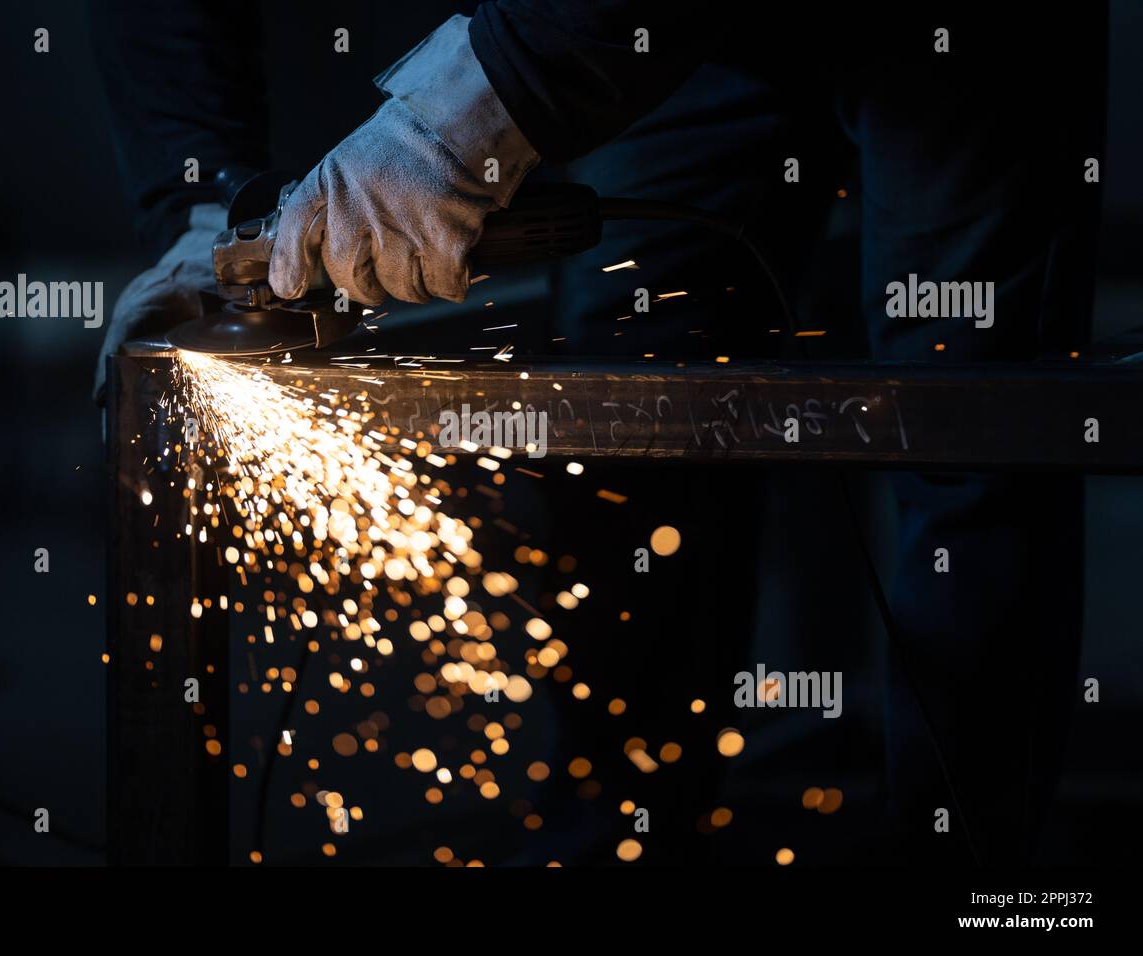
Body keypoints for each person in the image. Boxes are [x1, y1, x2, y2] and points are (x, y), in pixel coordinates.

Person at [91, 1, 1106, 864]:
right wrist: (197, 206)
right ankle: (625, 838)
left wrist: (462, 115)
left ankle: (970, 878)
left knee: (968, 422)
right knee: (631, 414)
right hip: (683, 42)